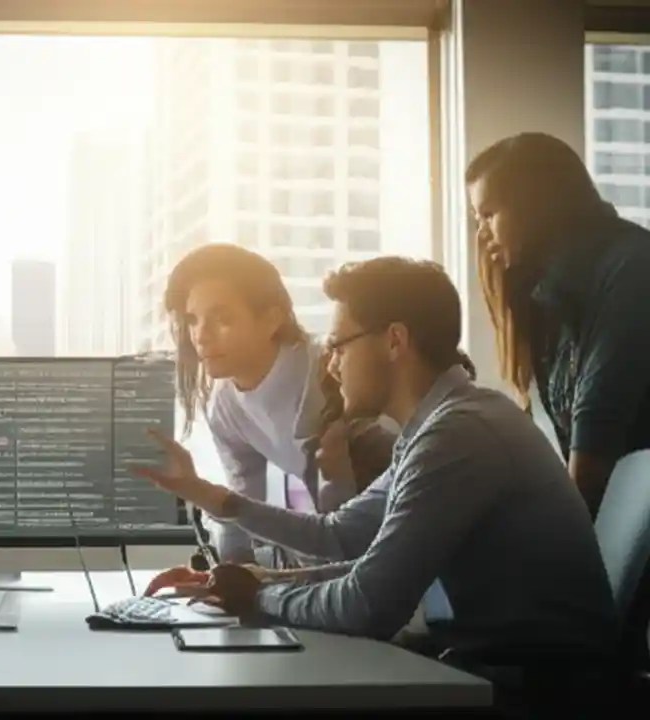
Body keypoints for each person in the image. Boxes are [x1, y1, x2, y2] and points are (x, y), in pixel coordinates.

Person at [135, 257, 617, 652]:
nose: (330, 363)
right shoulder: (436, 427)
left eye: (340, 345)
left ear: (394, 341)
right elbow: (340, 534)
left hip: (541, 685)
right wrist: (223, 515)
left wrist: (259, 595)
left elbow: (368, 604)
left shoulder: (458, 435)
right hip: (495, 657)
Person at [142, 243, 395, 595]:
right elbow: (240, 506)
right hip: (335, 555)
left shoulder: (331, 372)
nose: (200, 335)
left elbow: (347, 534)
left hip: (391, 546)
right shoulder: (224, 405)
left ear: (272, 319)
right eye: (193, 319)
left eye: (222, 319)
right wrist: (224, 579)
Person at [467, 132, 650, 515]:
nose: (482, 235)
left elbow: (596, 432)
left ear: (534, 205)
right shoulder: (545, 293)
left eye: (489, 214)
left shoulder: (632, 267)